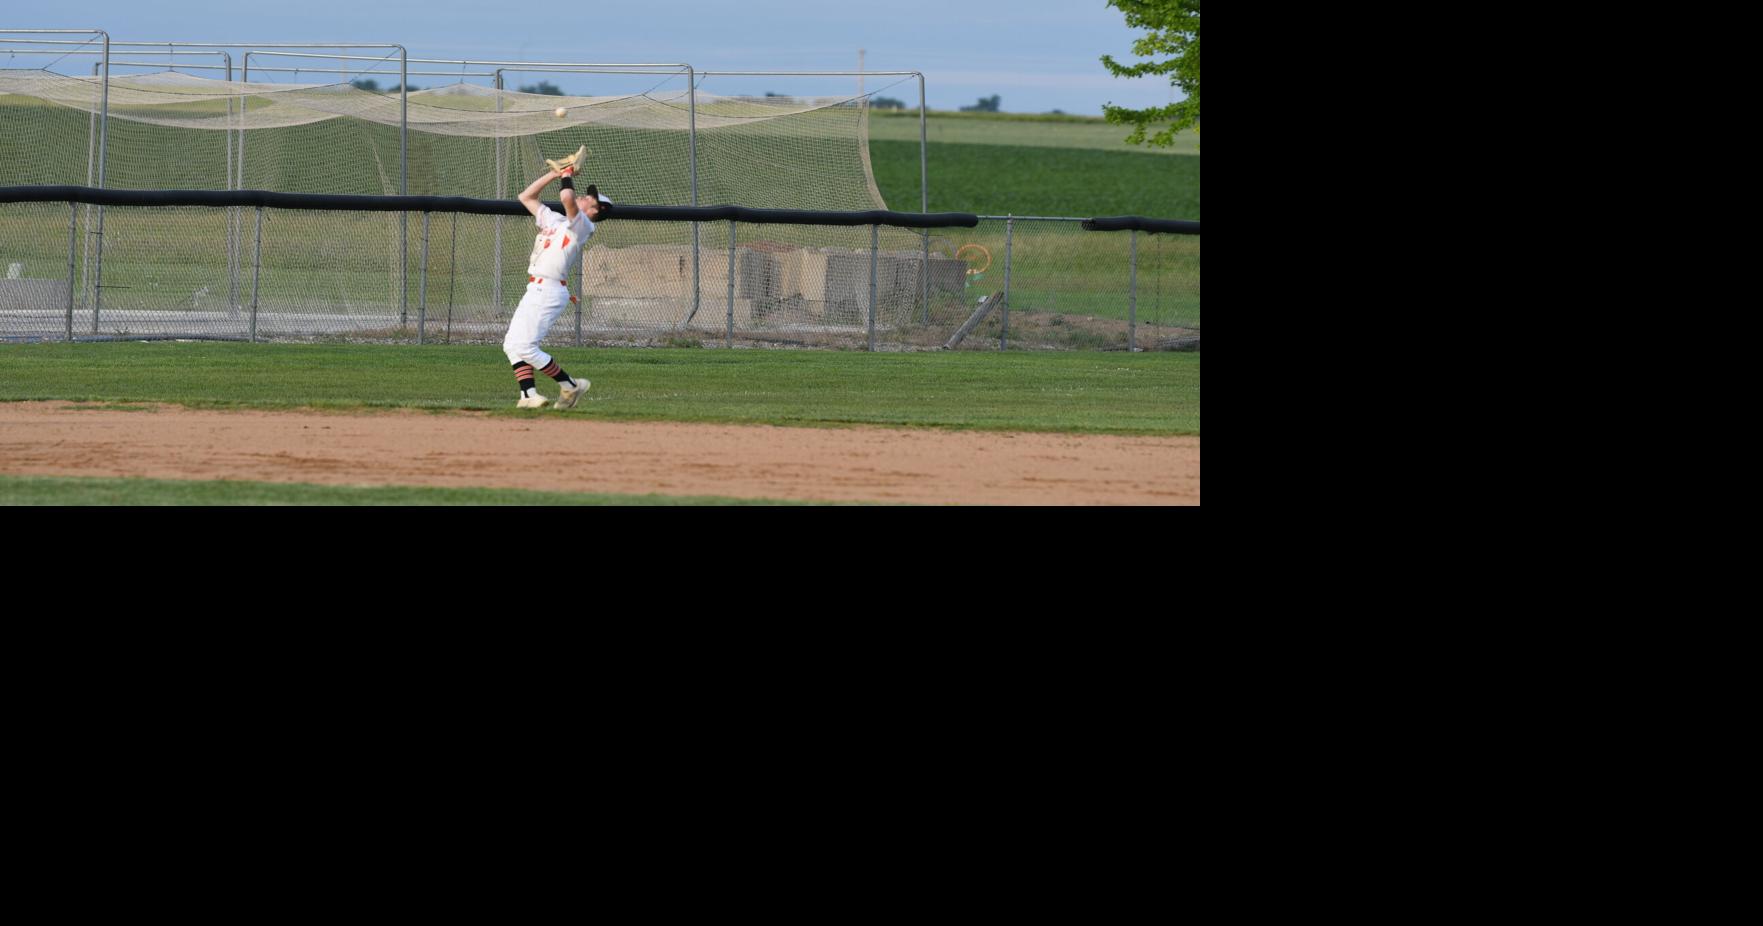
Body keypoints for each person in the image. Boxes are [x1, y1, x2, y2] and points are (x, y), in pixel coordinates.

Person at [503, 146, 613, 409]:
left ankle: (571, 385)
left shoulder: (584, 226)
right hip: (535, 289)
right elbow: (526, 197)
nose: (585, 198)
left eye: (590, 199)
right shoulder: (555, 221)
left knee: (526, 346)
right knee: (511, 345)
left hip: (550, 291)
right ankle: (528, 395)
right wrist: (553, 175)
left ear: (595, 210)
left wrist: (566, 175)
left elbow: (567, 198)